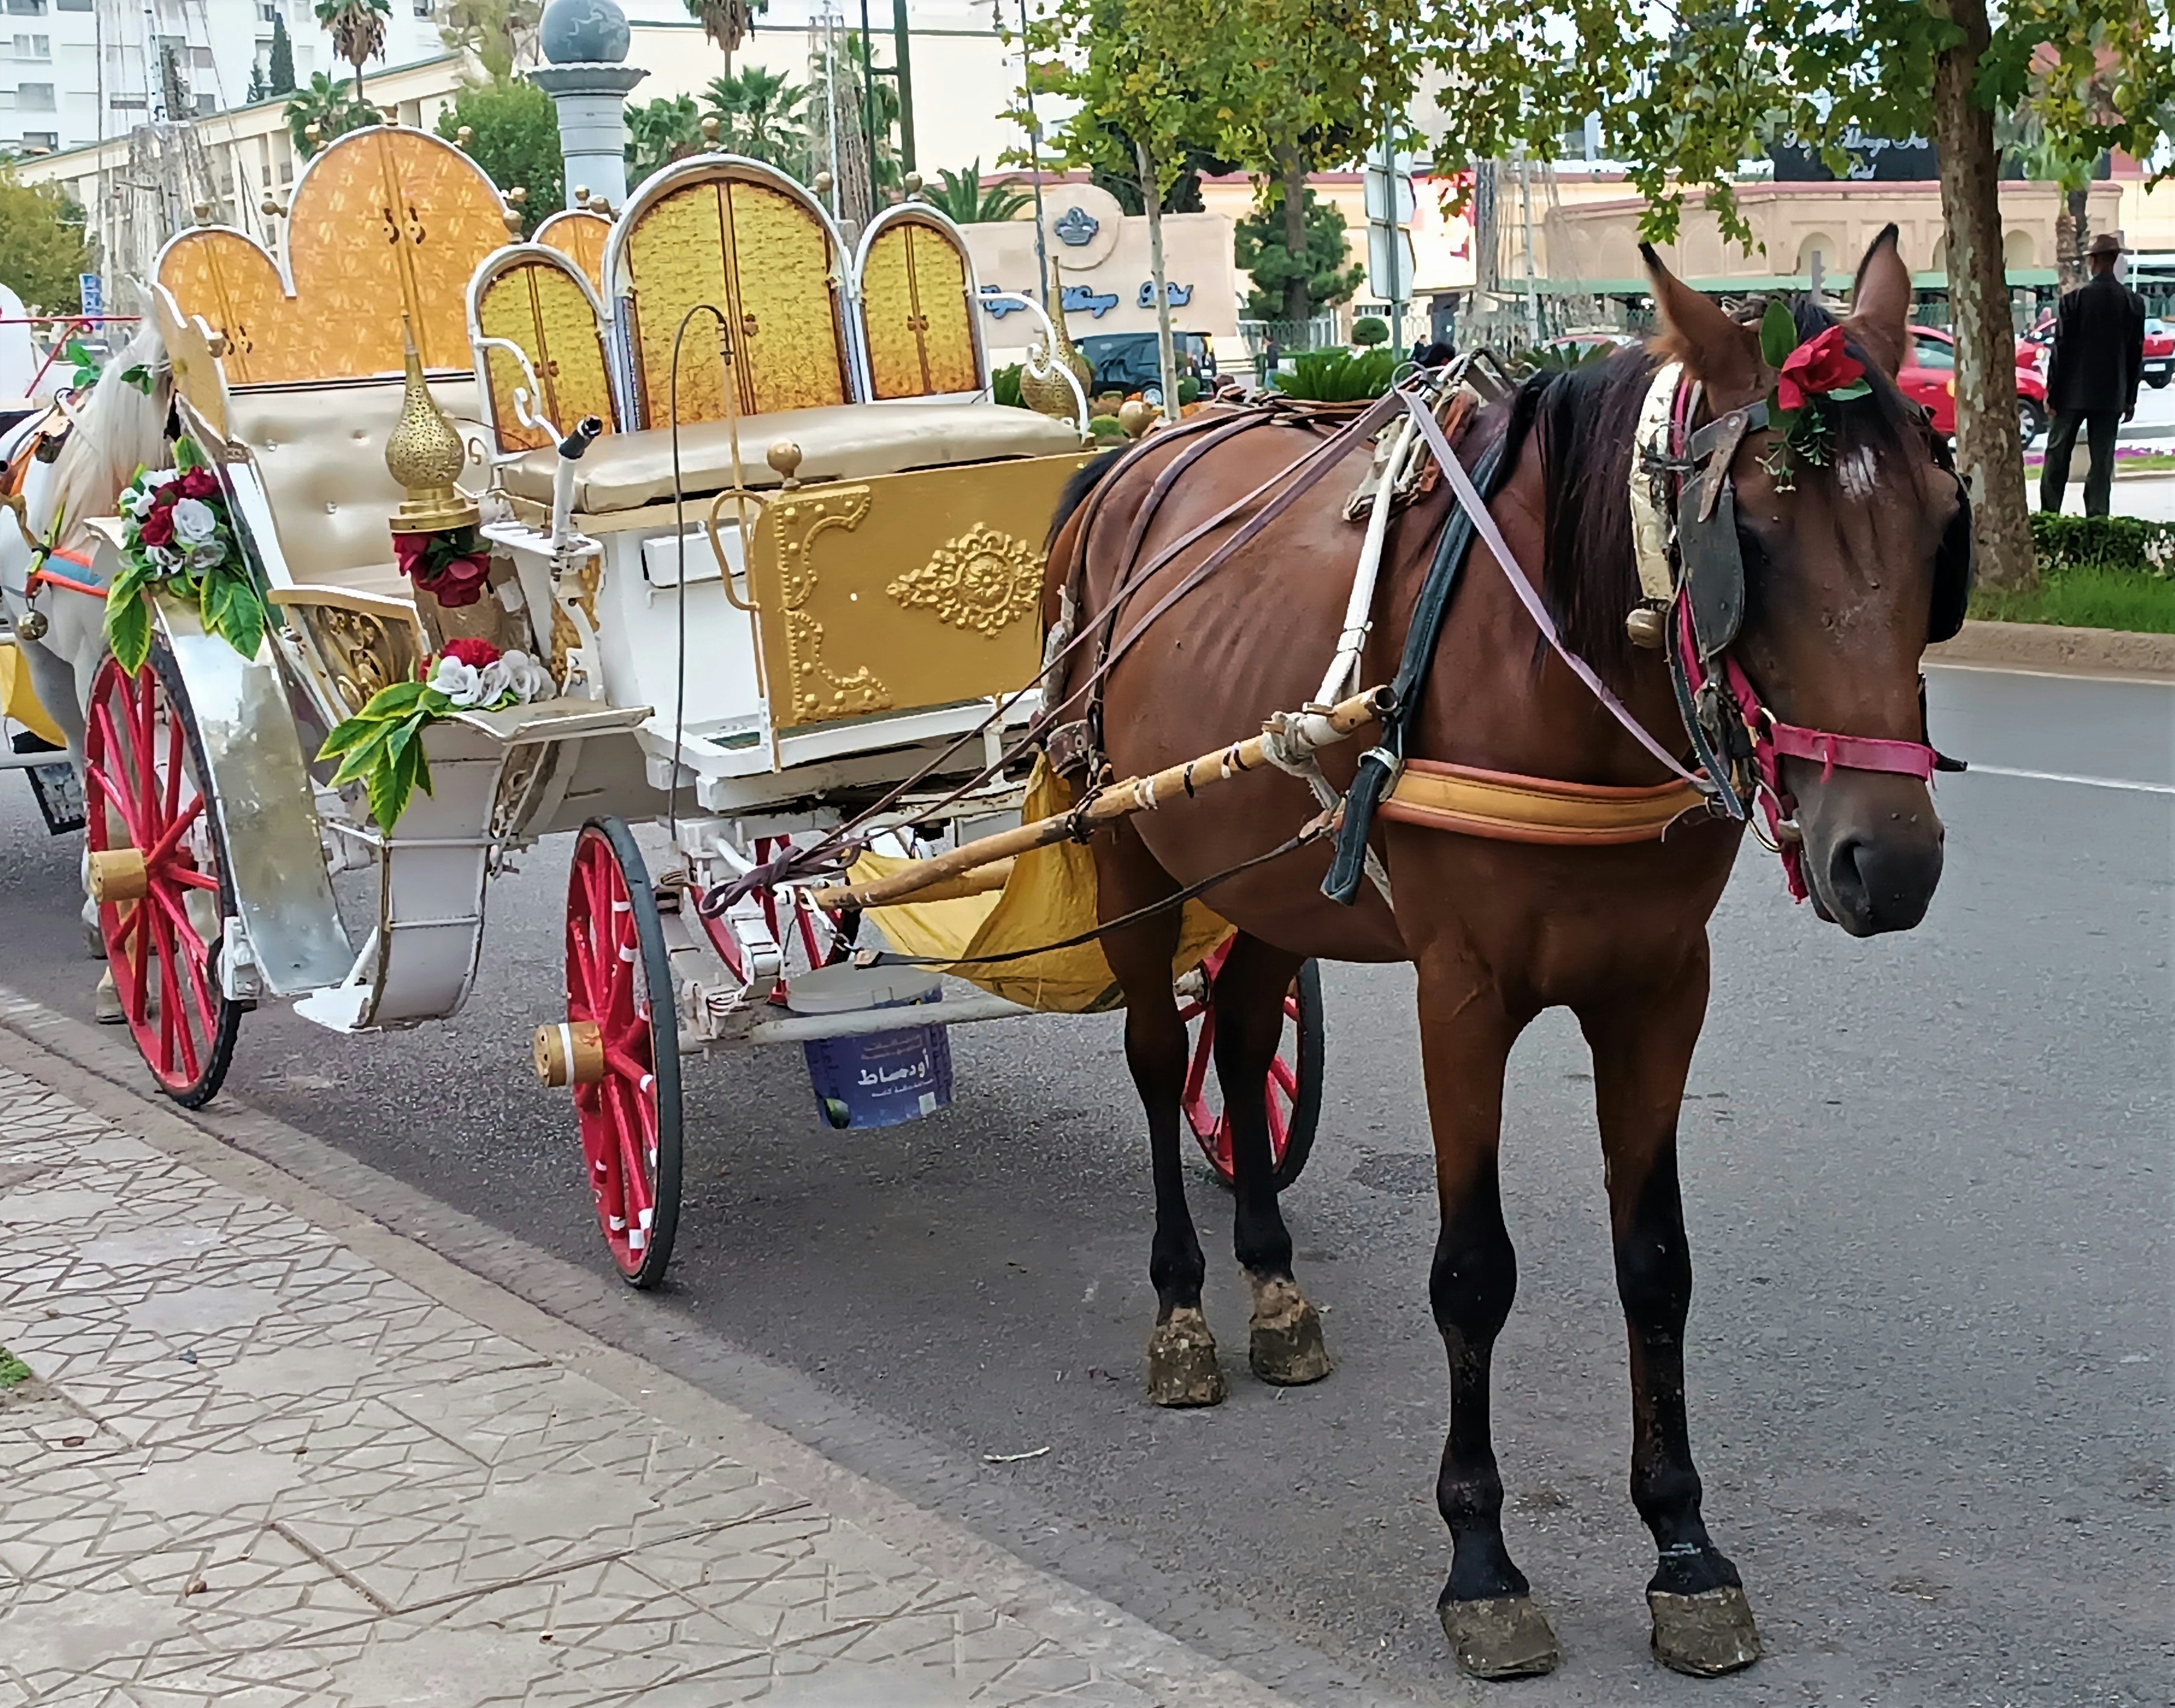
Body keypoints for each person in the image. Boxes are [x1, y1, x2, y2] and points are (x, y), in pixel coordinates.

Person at [2040, 231, 2146, 518]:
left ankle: (2050, 515)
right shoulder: (2133, 303)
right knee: (2102, 461)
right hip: (2111, 394)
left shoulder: (2074, 301)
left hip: (2070, 394)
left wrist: (2052, 392)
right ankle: (2097, 518)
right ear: (2114, 260)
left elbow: (2061, 350)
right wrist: (2130, 398)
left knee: (2057, 456)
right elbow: (2135, 354)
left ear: (2094, 261)